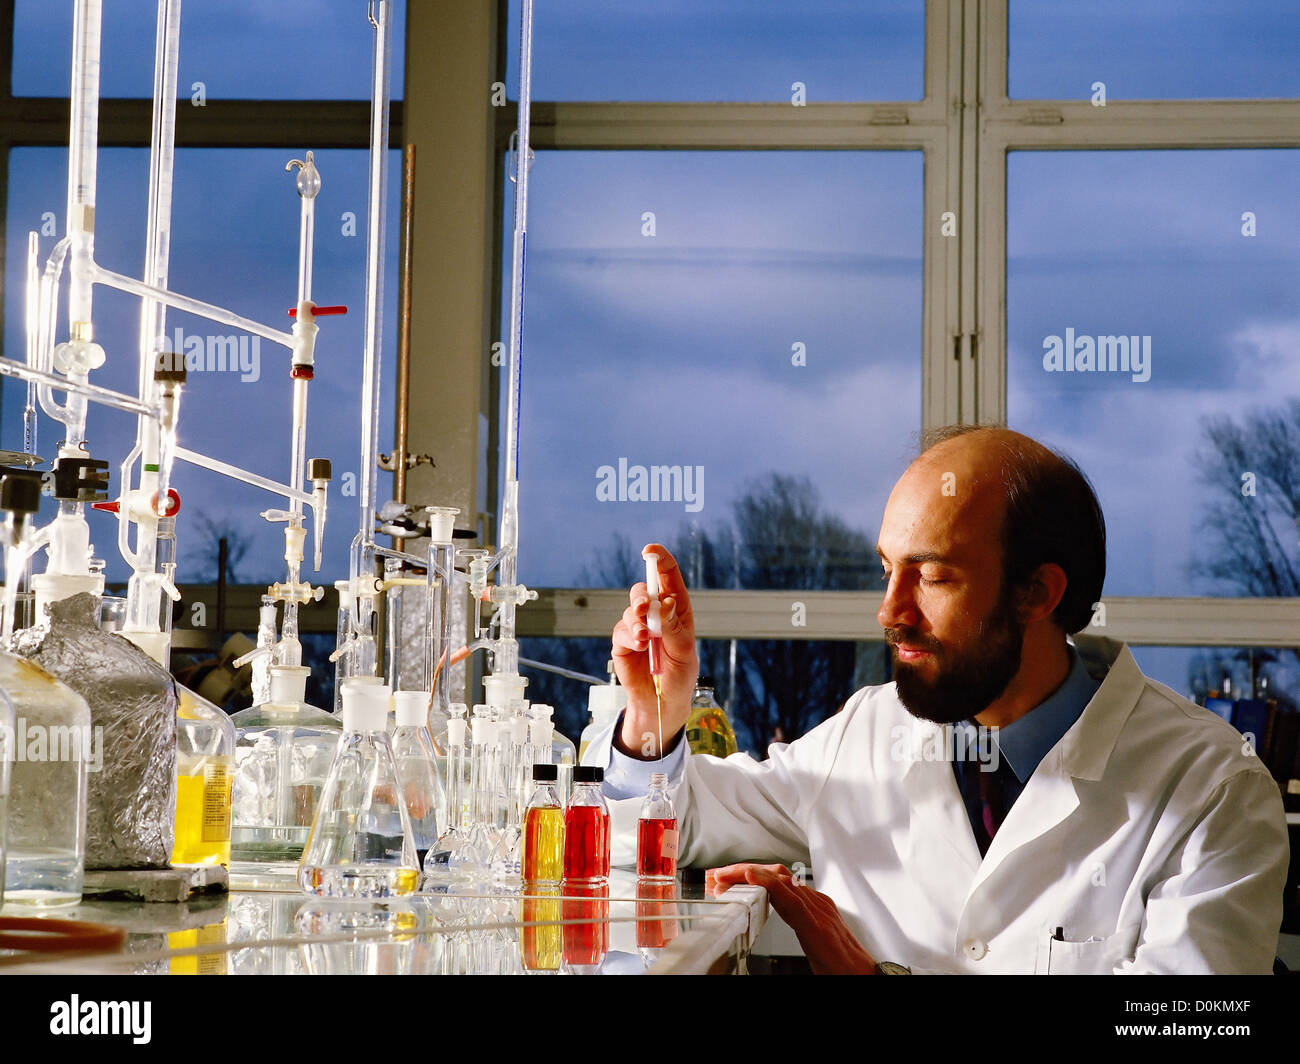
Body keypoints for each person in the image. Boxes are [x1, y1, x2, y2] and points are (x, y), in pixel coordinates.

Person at [584, 425, 1290, 974]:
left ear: (1038, 593)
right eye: (889, 569)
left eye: (934, 577)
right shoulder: (867, 735)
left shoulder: (1210, 788)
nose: (890, 612)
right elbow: (677, 826)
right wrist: (652, 714)